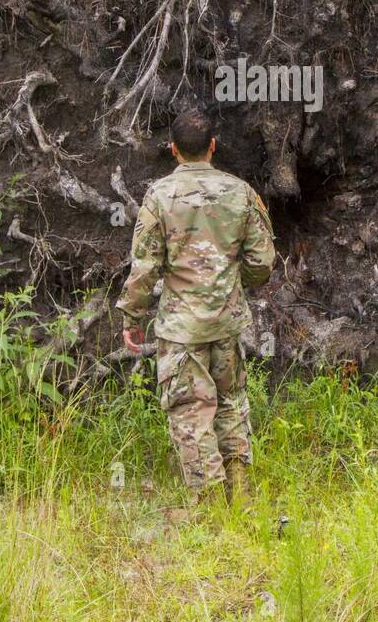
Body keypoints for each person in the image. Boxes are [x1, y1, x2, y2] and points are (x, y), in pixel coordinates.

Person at [117, 108, 275, 504]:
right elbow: (262, 262)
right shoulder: (240, 192)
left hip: (181, 327)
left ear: (173, 150)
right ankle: (239, 495)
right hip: (227, 321)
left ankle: (209, 508)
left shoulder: (159, 196)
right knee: (231, 404)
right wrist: (237, 284)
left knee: (191, 409)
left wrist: (132, 315)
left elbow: (145, 265)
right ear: (213, 147)